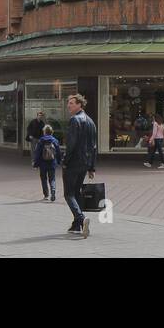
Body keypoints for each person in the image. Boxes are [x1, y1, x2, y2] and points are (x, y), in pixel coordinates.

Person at [62, 93, 98, 238]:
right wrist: (91, 167)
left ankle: (81, 219)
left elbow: (71, 144)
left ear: (79, 105)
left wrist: (65, 161)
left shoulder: (75, 120)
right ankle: (76, 224)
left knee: (68, 193)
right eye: (68, 102)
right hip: (85, 163)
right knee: (76, 192)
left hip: (74, 162)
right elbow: (94, 146)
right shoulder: (90, 121)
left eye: (71, 103)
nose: (68, 105)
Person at [33, 124, 62, 202]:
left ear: (44, 132)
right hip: (52, 163)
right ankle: (53, 191)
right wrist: (59, 161)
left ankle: (46, 195)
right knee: (52, 178)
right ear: (51, 132)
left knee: (43, 178)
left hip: (43, 163)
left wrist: (35, 164)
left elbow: (37, 153)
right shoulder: (55, 140)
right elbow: (58, 152)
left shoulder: (41, 140)